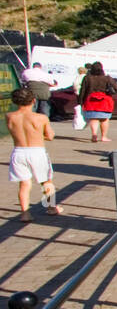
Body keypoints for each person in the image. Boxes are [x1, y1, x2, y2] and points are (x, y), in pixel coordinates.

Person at [7, 88, 63, 221]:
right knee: (46, 181)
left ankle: (25, 213)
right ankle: (51, 208)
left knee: (24, 184)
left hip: (19, 152)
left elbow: (13, 132)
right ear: (33, 101)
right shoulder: (41, 117)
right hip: (37, 151)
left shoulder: (10, 116)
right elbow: (50, 136)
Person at [78, 62, 117, 143]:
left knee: (94, 118)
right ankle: (104, 136)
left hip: (91, 100)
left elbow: (82, 90)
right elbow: (116, 88)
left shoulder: (87, 78)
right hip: (104, 100)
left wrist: (81, 102)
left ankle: (94, 135)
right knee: (104, 119)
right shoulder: (107, 78)